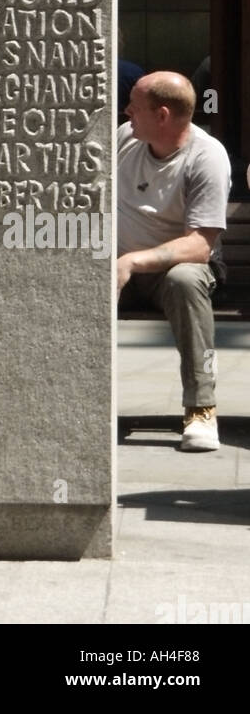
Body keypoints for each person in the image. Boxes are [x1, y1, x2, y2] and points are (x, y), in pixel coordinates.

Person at [118, 72, 230, 450]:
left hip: (177, 273)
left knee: (185, 279)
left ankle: (201, 410)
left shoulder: (206, 156)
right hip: (120, 269)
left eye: (135, 105)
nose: (126, 111)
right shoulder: (124, 140)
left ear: (162, 115)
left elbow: (200, 245)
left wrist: (132, 260)